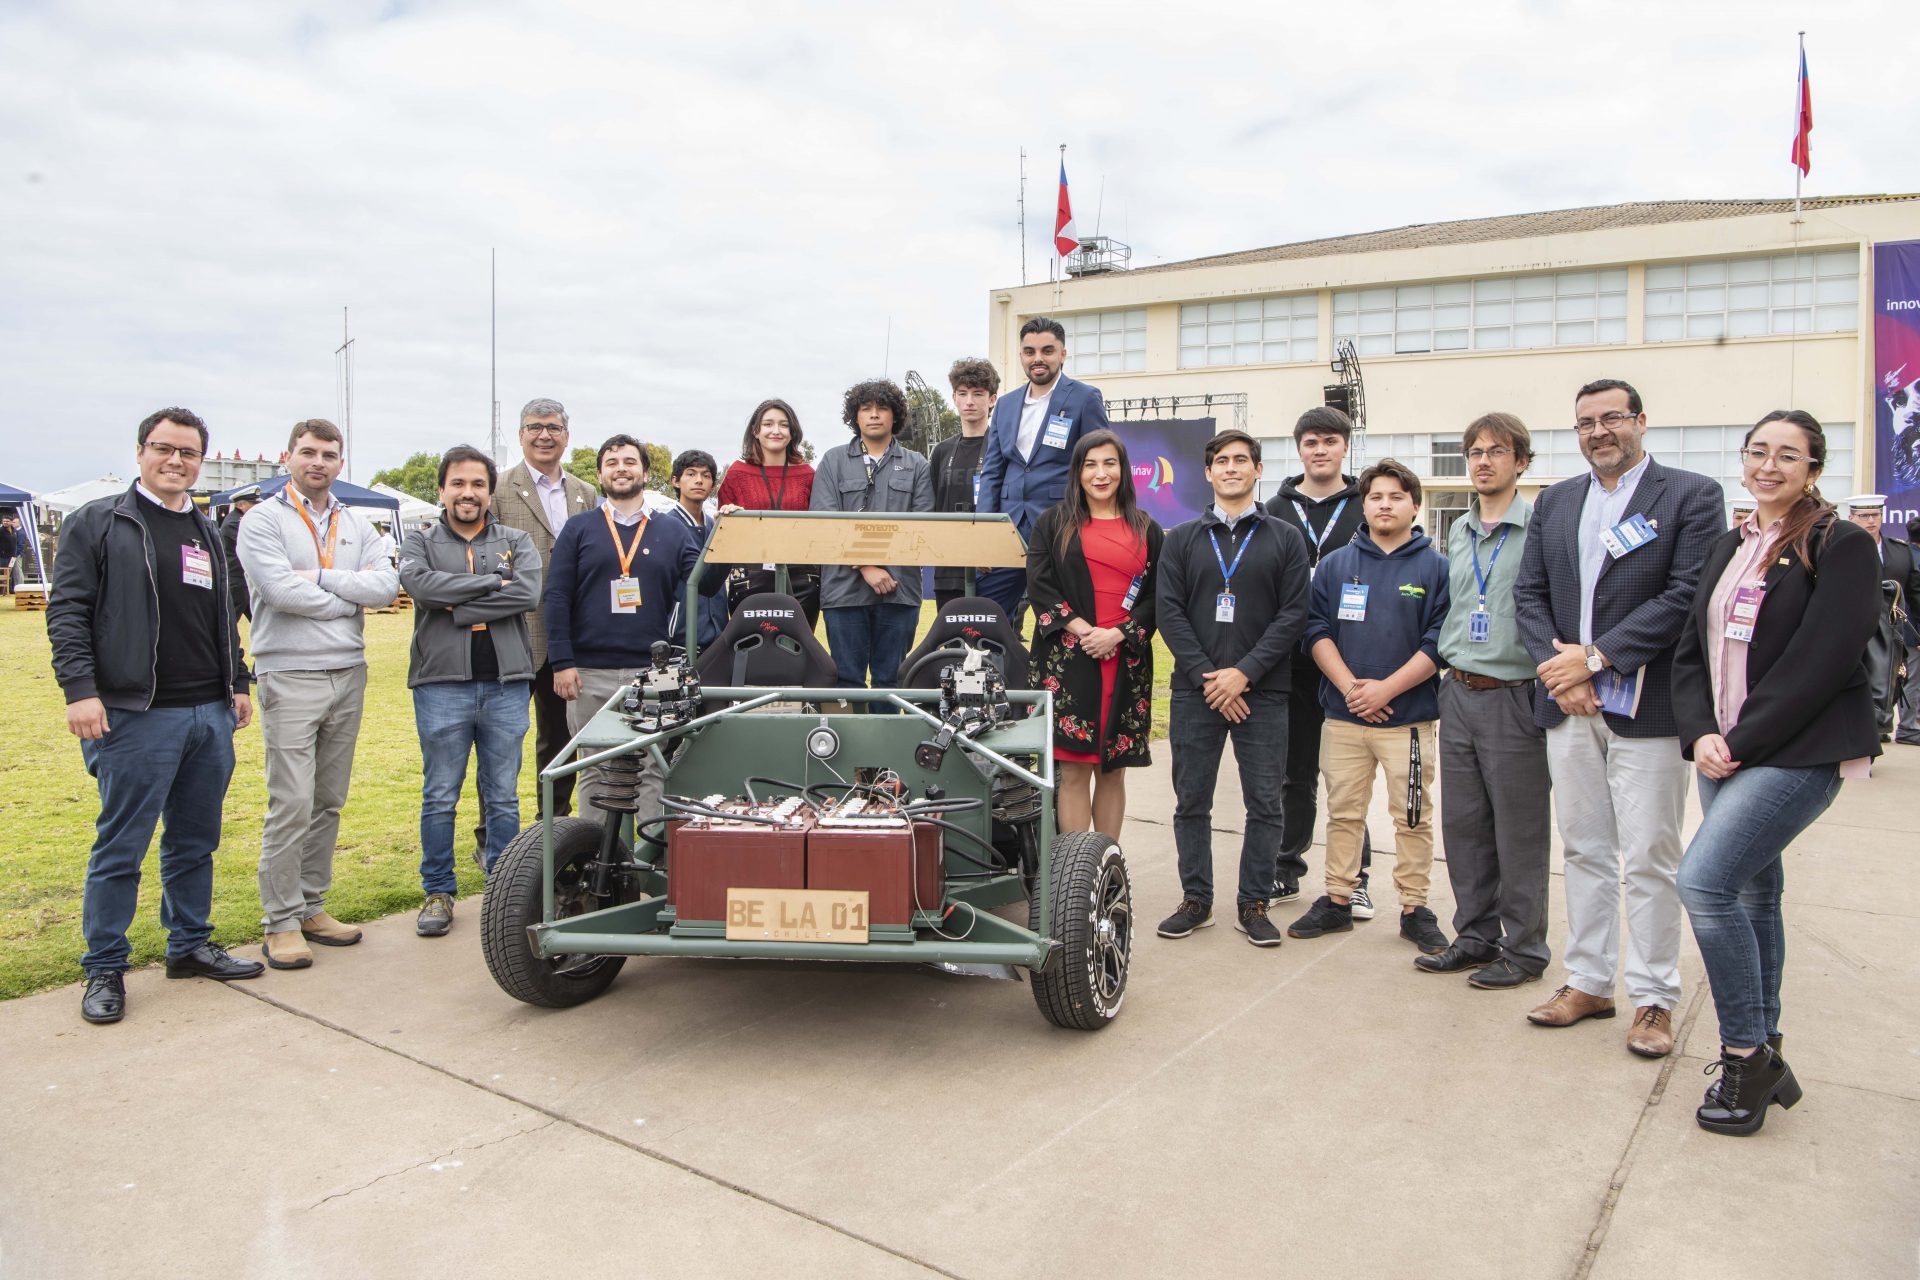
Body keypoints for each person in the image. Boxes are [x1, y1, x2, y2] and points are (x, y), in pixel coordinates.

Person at [1672, 410, 1880, 1135]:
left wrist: (1742, 741)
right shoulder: (1731, 544)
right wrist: (1700, 732)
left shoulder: (1841, 544)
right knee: (1755, 896)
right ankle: (1767, 1042)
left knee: (1703, 882)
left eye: (1787, 455)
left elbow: (1821, 661)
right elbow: (1690, 649)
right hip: (1719, 749)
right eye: (1758, 452)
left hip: (1794, 753)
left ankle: (1743, 1055)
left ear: (1814, 469)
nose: (1769, 465)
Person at [1513, 378, 1723, 1057]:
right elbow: (1530, 594)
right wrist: (1562, 669)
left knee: (1653, 857)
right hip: (1568, 705)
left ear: (1640, 421)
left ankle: (1654, 997)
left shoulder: (1691, 495)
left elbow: (1688, 592)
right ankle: (1589, 983)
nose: (1599, 431)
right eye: (1585, 422)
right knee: (1584, 851)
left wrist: (1597, 659)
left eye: (1612, 418)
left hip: (1648, 707)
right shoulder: (1555, 500)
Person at [49, 408, 263, 1024]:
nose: (175, 461)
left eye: (188, 452)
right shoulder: (99, 522)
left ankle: (188, 943)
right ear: (140, 452)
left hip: (208, 713)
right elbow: (67, 613)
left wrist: (237, 681)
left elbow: (224, 615)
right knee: (122, 845)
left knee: (195, 842)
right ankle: (104, 967)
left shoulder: (206, 528)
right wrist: (80, 690)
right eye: (163, 449)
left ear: (201, 461)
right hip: (135, 714)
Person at [237, 418, 399, 971]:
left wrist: (321, 578)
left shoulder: (356, 522)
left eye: (329, 454)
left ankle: (311, 906)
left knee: (328, 800)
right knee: (292, 802)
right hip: (290, 674)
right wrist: (349, 596)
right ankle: (280, 920)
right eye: (308, 453)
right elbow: (279, 592)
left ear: (340, 462)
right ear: (288, 457)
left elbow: (386, 587)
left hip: (348, 672)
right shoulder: (261, 520)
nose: (318, 462)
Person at [1286, 459, 1451, 955]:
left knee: (1413, 816)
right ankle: (1337, 898)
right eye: (1376, 496)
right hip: (1343, 716)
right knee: (1342, 813)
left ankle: (1414, 907)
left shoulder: (1435, 567)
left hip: (1409, 720)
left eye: (1396, 497)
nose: (1384, 504)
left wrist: (1386, 691)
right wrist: (1352, 687)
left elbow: (1439, 640)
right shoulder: (1337, 564)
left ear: (1414, 505)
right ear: (1364, 503)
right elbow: (1315, 630)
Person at [1154, 429, 1310, 948]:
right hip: (1194, 692)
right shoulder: (1180, 539)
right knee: (1190, 801)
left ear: (1258, 470)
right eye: (1221, 461)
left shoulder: (1285, 537)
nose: (1231, 468)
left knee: (1265, 803)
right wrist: (1208, 676)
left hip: (1263, 692)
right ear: (1208, 472)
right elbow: (1169, 614)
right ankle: (1196, 900)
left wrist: (1244, 673)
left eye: (1241, 460)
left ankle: (1254, 902)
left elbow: (1293, 615)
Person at [1419, 414, 1552, 989]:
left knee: (1518, 831)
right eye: (1474, 451)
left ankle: (1524, 950)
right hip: (1459, 690)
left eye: (1497, 451)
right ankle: (1474, 936)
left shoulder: (1541, 529)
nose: (1483, 461)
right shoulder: (1459, 532)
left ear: (1521, 462)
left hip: (1514, 695)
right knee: (1465, 826)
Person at [398, 446, 542, 938]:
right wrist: (488, 584)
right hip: (442, 684)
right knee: (440, 794)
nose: (468, 493)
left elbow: (526, 594)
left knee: (502, 796)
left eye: (477, 484)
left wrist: (457, 603)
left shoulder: (516, 539)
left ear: (489, 490)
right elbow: (421, 589)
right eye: (458, 483)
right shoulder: (419, 541)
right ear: (442, 490)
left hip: (506, 682)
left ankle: (503, 893)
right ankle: (437, 892)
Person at [544, 435, 721, 816]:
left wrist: (725, 534)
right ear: (599, 474)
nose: (621, 468)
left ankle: (644, 865)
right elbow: (556, 597)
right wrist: (561, 662)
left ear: (646, 471)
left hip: (654, 671)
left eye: (629, 461)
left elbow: (704, 584)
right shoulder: (578, 528)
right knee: (593, 770)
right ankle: (598, 866)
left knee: (653, 767)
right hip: (588, 671)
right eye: (611, 462)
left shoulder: (673, 531)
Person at [1026, 429, 1163, 839]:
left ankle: (1107, 868)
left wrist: (1117, 635)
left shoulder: (1147, 528)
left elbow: (1158, 598)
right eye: (1090, 465)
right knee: (1072, 773)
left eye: (1110, 463)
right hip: (1069, 660)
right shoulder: (1054, 523)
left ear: (1123, 470)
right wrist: (1087, 632)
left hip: (1125, 660)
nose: (1100, 474)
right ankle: (1075, 878)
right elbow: (1040, 584)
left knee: (1113, 772)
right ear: (1077, 472)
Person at [1265, 406, 1375, 910]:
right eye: (1311, 442)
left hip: (1348, 657)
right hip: (1288, 658)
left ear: (1344, 447)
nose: (1320, 450)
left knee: (1348, 771)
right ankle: (1286, 865)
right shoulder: (1275, 509)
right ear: (1300, 449)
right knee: (1294, 770)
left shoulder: (1365, 504)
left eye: (1330, 441)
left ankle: (1358, 878)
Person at [489, 398, 599, 819]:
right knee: (502, 741)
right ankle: (493, 836)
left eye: (553, 428)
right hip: (513, 633)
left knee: (559, 738)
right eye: (535, 427)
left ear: (566, 437)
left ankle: (551, 828)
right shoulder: (498, 489)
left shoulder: (585, 493)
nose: (544, 435)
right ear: (521, 435)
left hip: (566, 639)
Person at [976, 318, 1110, 622]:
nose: (1038, 358)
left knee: (1065, 616)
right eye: (1029, 351)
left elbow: (1100, 463)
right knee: (988, 617)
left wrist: (1095, 525)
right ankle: (996, 669)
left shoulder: (1084, 398)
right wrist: (985, 530)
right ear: (1022, 356)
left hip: (1063, 525)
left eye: (1047, 350)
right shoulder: (1006, 404)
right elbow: (993, 470)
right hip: (1006, 527)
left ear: (1062, 354)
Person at [809, 379, 934, 703]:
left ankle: (888, 754)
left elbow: (922, 526)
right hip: (843, 592)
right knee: (847, 683)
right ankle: (850, 754)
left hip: (900, 590)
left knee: (890, 684)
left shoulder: (917, 464)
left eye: (883, 408)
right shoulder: (832, 461)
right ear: (855, 416)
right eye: (866, 409)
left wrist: (884, 569)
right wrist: (866, 566)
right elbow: (825, 522)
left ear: (896, 416)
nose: (874, 415)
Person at [715, 398, 819, 626]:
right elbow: (725, 531)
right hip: (752, 575)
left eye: (783, 424)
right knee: (753, 648)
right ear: (755, 431)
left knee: (797, 650)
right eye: (768, 424)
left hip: (801, 575)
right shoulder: (737, 473)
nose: (776, 430)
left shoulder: (808, 474)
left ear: (793, 432)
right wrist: (729, 515)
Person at [1844, 495, 1918, 743]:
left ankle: (1881, 724)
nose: (1870, 521)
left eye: (1875, 515)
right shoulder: (1839, 548)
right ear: (1851, 517)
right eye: (1863, 516)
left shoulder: (1899, 550)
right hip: (1851, 628)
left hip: (1891, 628)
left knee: (1891, 680)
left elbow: (1914, 592)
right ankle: (1865, 731)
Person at [929, 358, 999, 609]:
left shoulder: (1001, 446)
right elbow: (933, 507)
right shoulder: (942, 451)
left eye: (978, 394)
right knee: (951, 645)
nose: (969, 401)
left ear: (991, 399)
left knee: (992, 644)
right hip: (949, 568)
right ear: (954, 397)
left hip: (991, 567)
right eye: (963, 393)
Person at [666, 448, 729, 649]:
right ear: (676, 481)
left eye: (706, 475)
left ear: (713, 484)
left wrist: (729, 530)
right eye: (691, 474)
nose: (699, 480)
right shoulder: (666, 525)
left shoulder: (714, 525)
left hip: (717, 635)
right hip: (680, 638)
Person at [218, 487, 259, 621]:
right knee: (229, 620)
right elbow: (254, 546)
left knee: (257, 618)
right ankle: (228, 642)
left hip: (244, 579)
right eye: (253, 504)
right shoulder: (235, 522)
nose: (256, 506)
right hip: (237, 578)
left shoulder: (242, 520)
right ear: (240, 505)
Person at [1902, 516, 1920, 745]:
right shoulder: (1913, 558)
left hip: (1906, 628)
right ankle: (1908, 727)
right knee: (1913, 680)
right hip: (1913, 630)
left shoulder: (1903, 554)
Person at [0, 511, 17, 594]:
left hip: (12, 556)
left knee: (10, 573)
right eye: (4, 521)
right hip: (3, 556)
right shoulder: (1, 531)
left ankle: (8, 589)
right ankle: (2, 591)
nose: (5, 522)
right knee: (3, 573)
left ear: (11, 522)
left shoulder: (14, 531)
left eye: (7, 521)